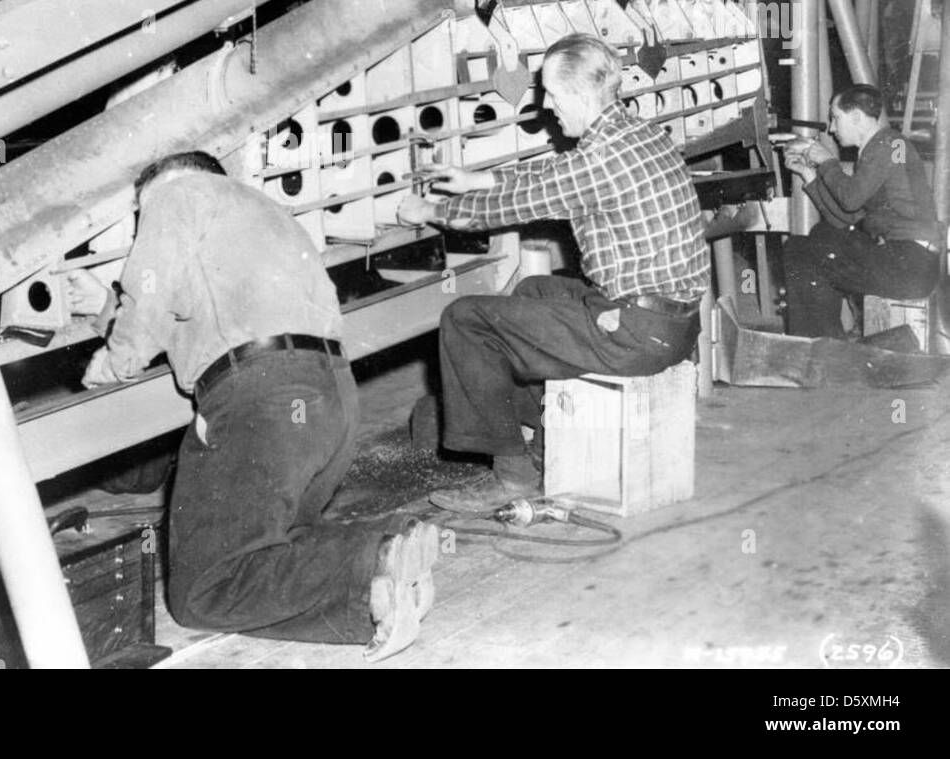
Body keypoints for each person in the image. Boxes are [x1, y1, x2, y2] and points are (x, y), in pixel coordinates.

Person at [82, 150, 438, 662]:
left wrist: (114, 360)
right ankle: (380, 587)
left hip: (263, 397)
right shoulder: (264, 210)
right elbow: (203, 299)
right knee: (274, 548)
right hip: (329, 398)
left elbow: (152, 284)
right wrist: (104, 309)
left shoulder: (175, 193)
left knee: (203, 589)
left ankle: (373, 553)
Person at [397, 33, 710, 515]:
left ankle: (513, 477)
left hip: (635, 332)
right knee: (534, 290)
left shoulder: (601, 160)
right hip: (674, 323)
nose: (546, 106)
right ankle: (544, 438)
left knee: (466, 319)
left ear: (580, 96)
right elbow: (555, 175)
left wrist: (430, 208)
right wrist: (476, 178)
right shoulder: (635, 133)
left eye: (551, 94)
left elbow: (508, 208)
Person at [781, 84, 942, 339]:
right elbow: (846, 219)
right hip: (905, 259)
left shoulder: (889, 144)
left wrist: (827, 161)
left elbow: (851, 199)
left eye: (835, 118)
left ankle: (818, 350)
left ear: (856, 116)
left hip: (911, 263)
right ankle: (825, 345)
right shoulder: (877, 149)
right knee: (822, 235)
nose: (832, 128)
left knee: (800, 251)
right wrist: (809, 175)